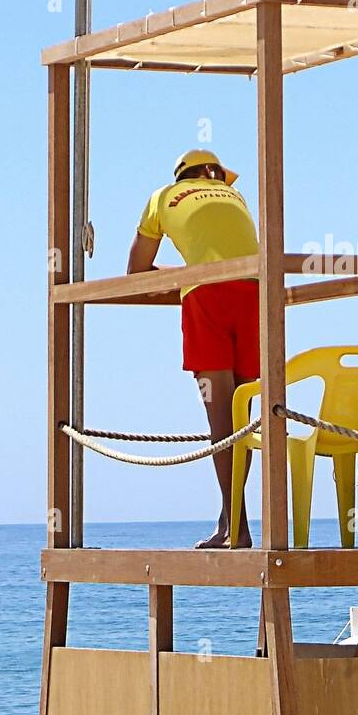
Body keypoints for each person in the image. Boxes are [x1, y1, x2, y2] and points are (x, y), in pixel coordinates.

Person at [128, 150, 260, 549]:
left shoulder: (162, 197)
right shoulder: (236, 198)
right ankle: (232, 519)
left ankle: (234, 526)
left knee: (220, 419)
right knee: (242, 417)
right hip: (255, 290)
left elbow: (137, 272)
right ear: (216, 176)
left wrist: (187, 272)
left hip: (208, 296)